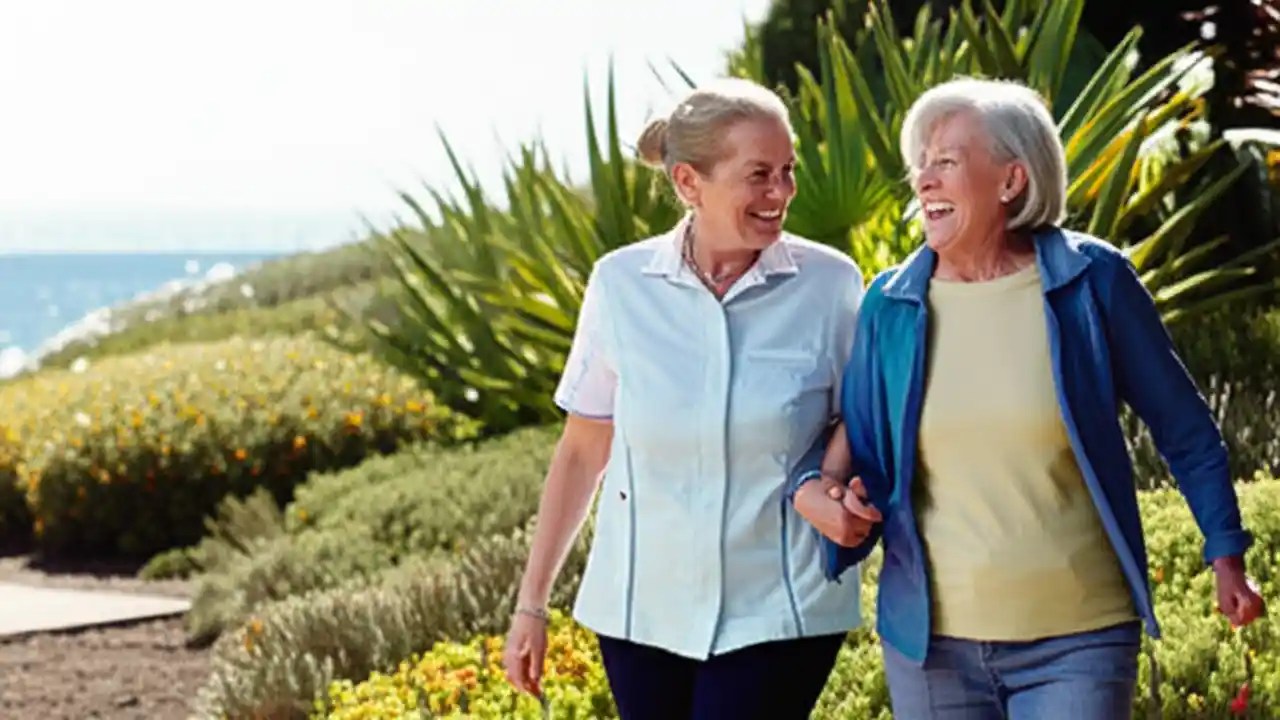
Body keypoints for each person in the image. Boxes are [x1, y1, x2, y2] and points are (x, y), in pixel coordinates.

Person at [792, 77, 1267, 719]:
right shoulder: (892, 304)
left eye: (947, 162)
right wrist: (821, 489)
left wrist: (1224, 550)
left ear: (1011, 180)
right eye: (921, 165)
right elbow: (855, 433)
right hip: (931, 650)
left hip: (1080, 639)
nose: (924, 181)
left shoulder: (1092, 282)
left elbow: (1184, 428)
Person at [501, 77, 875, 719]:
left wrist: (833, 485)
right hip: (639, 612)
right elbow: (583, 450)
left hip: (780, 610)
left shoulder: (831, 285)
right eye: (759, 174)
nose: (781, 192)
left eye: (787, 171)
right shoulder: (621, 284)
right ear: (686, 183)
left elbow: (867, 417)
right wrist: (532, 604)